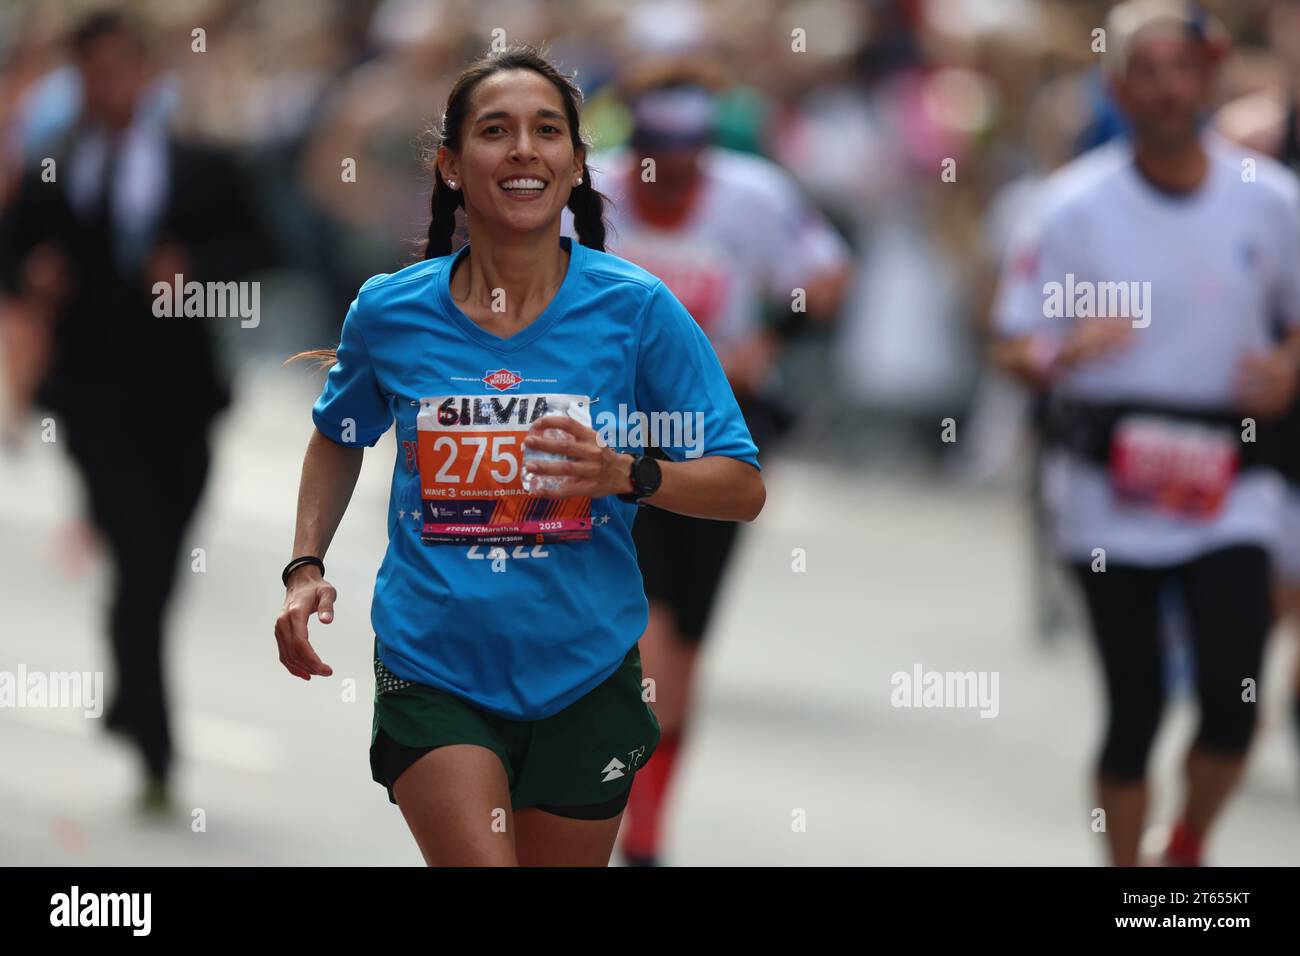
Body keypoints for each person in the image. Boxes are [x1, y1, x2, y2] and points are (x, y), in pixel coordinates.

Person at [277, 45, 765, 867]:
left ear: (577, 164)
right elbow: (339, 434)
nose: (523, 150)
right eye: (495, 131)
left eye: (547, 132)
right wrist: (304, 564)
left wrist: (627, 474)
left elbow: (742, 486)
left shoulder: (637, 310)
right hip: (434, 672)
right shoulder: (391, 312)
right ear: (451, 167)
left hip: (586, 676)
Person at [991, 0, 1300, 866]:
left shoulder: (1270, 199)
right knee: (1135, 711)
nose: (1167, 90)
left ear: (1209, 78)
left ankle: (1186, 849)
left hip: (1232, 482)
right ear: (1118, 87)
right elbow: (1010, 340)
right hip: (1110, 483)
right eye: (1146, 73)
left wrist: (1289, 368)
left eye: (1182, 70)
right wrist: (1058, 352)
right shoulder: (1069, 207)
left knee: (1233, 703)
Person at [562, 58, 850, 866]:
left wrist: (769, 337)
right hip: (613, 436)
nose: (668, 171)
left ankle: (651, 815)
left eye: (687, 152)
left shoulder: (754, 196)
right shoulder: (593, 195)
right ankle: (607, 804)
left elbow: (827, 279)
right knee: (643, 631)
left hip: (714, 432)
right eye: (654, 148)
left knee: (685, 642)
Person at [0, 10, 271, 812]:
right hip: (93, 401)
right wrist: (35, 277)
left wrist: (196, 271)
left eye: (123, 69)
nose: (109, 87)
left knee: (157, 565)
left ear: (147, 75)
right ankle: (154, 735)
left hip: (185, 400)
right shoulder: (55, 166)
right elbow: (13, 255)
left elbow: (263, 252)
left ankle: (131, 694)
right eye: (94, 73)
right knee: (140, 555)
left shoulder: (202, 164)